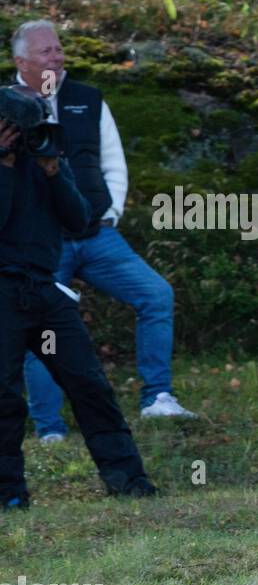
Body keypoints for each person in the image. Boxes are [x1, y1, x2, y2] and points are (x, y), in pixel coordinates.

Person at [12, 20, 196, 446]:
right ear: (21, 61)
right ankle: (50, 428)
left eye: (59, 49)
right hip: (41, 244)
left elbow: (113, 159)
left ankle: (157, 398)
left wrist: (111, 210)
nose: (57, 57)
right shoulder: (6, 106)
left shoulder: (89, 99)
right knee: (45, 329)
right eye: (46, 52)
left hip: (96, 234)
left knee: (156, 295)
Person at [0, 87, 157, 509]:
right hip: (3, 290)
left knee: (89, 384)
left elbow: (78, 217)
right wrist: (4, 166)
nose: (26, 138)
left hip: (45, 287)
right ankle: (9, 494)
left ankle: (129, 482)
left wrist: (52, 171)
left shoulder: (47, 155)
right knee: (4, 396)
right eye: (18, 130)